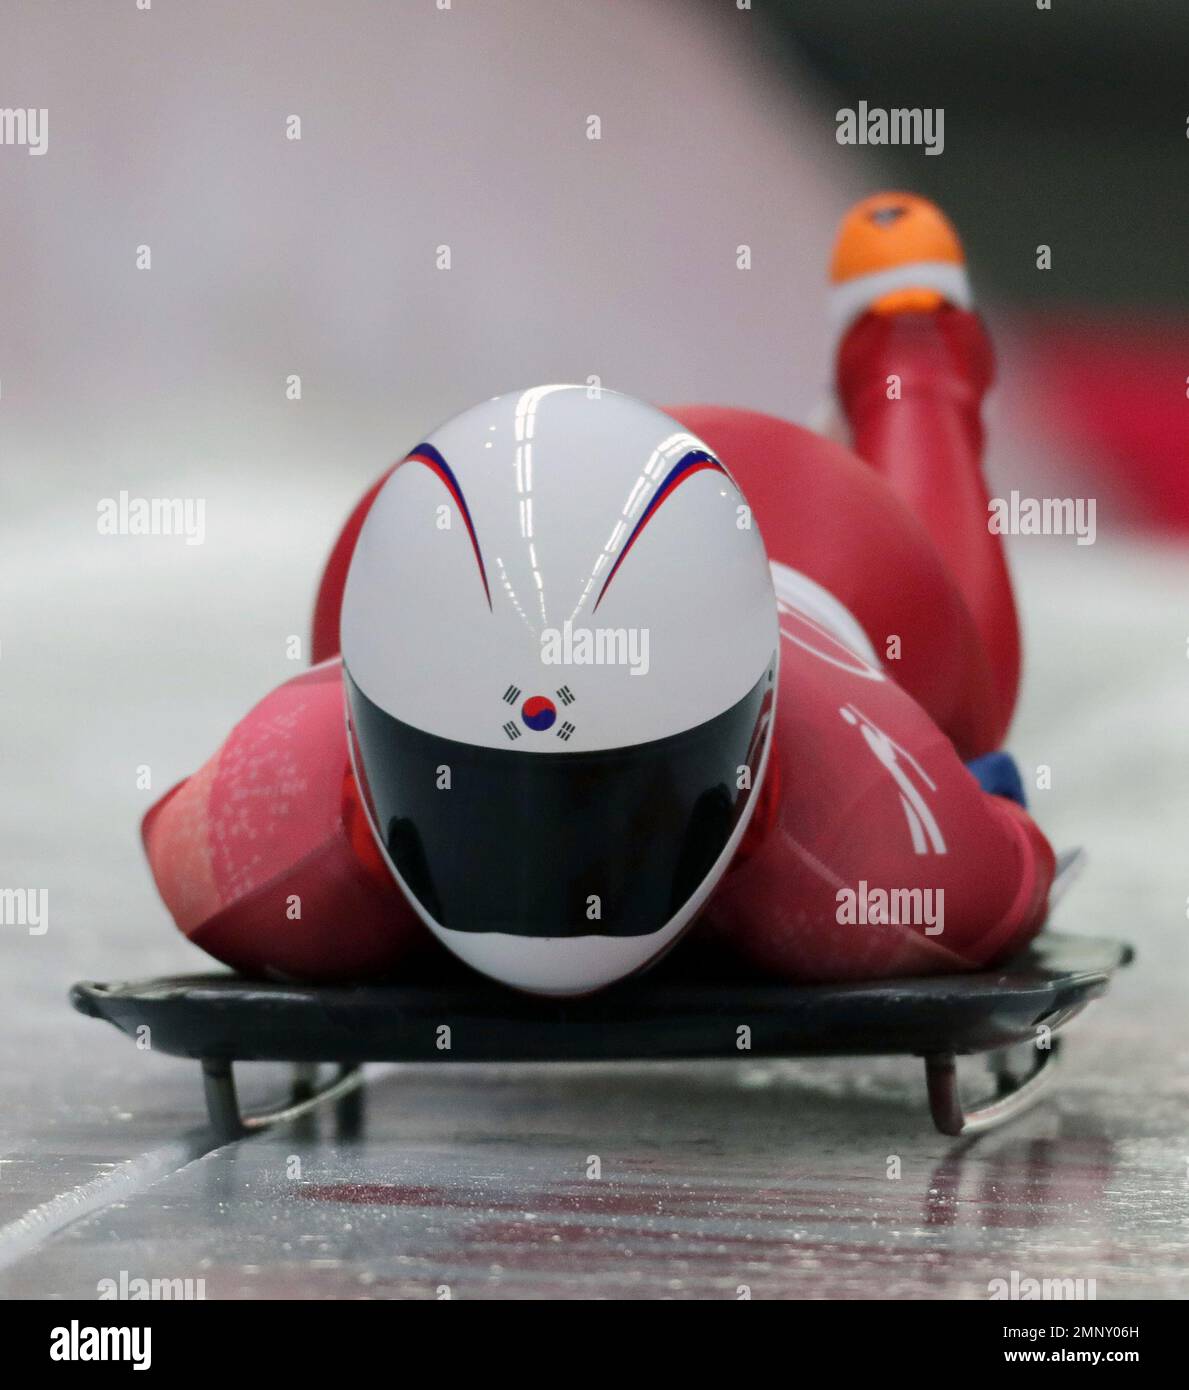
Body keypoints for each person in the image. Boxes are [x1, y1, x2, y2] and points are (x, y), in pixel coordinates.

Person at [142, 193, 1055, 989]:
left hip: (829, 540)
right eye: (486, 817)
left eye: (620, 811)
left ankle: (910, 348)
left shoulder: (259, 862)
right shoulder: (888, 883)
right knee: (961, 693)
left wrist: (965, 801)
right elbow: (1019, 866)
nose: (546, 879)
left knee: (957, 670)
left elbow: (1009, 868)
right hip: (794, 541)